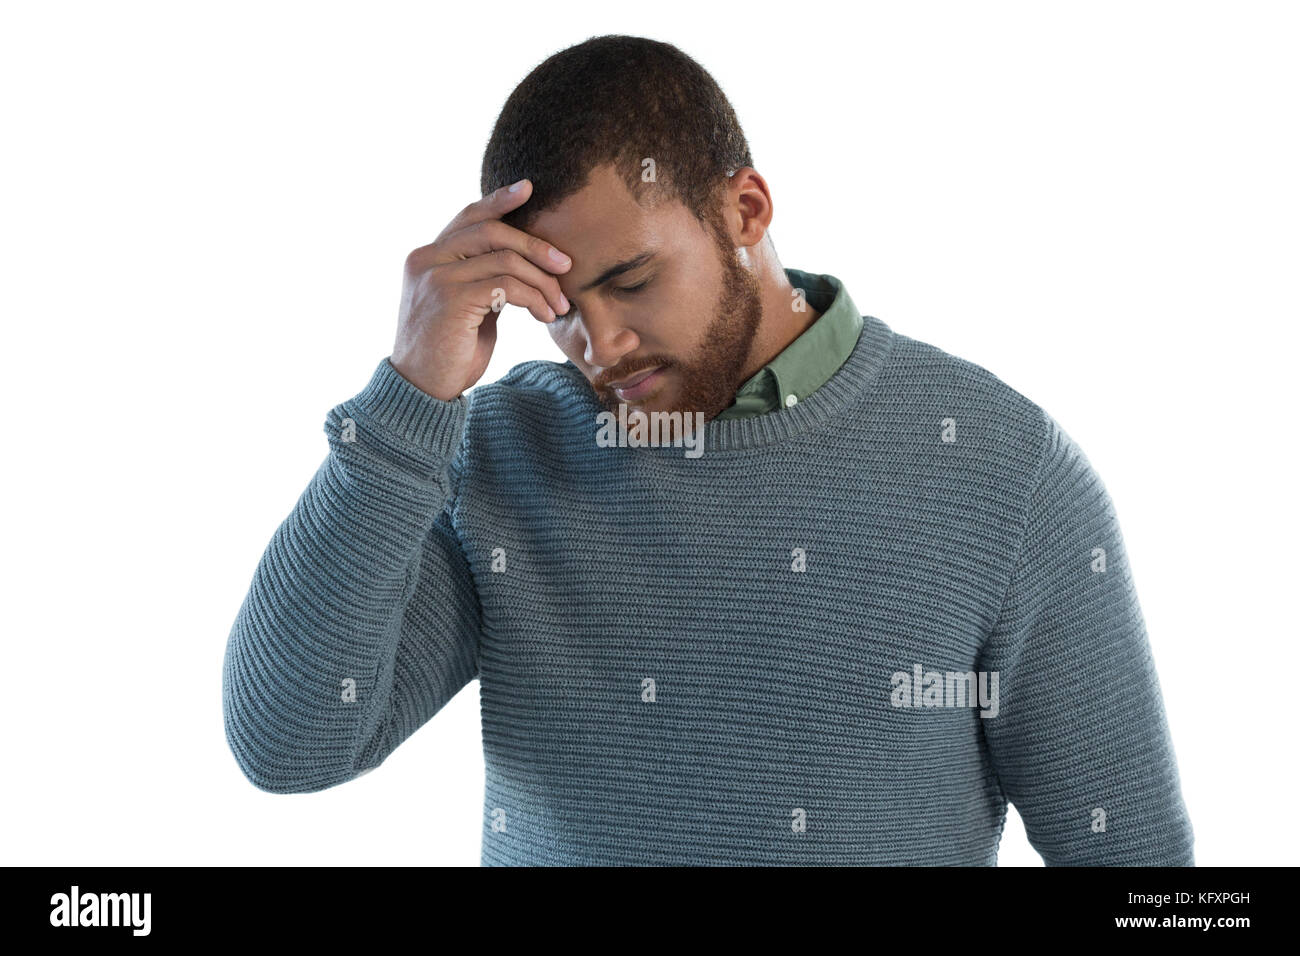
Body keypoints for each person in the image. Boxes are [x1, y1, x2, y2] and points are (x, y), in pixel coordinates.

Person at [222, 34, 1194, 866]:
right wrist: (408, 397)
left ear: (745, 212)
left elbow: (1136, 865)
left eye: (630, 280)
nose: (599, 348)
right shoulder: (503, 453)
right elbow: (288, 742)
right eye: (556, 312)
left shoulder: (997, 466)